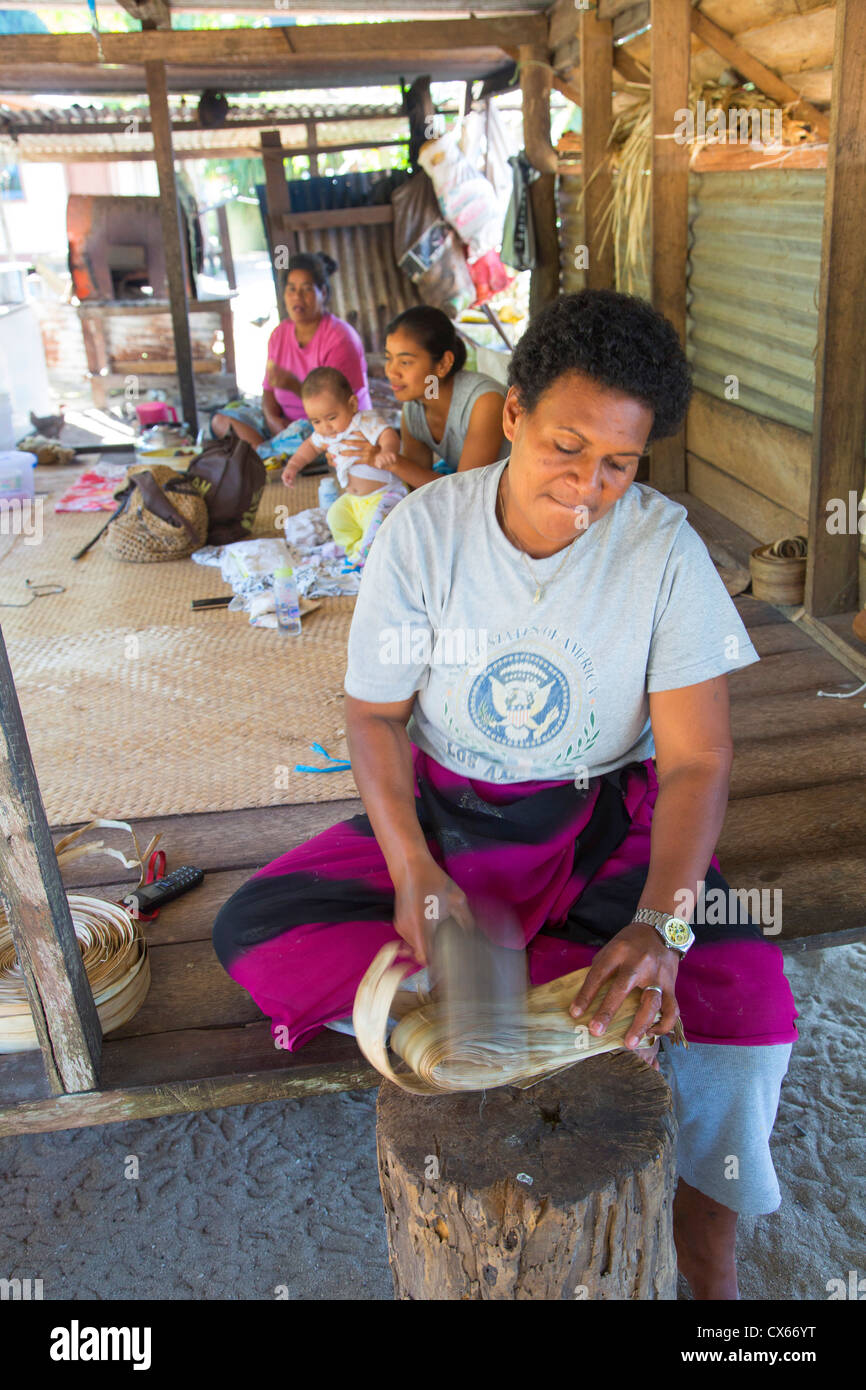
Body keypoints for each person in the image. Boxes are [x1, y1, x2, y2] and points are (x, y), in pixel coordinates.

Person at [212, 289, 798, 1300]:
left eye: (618, 463)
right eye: (565, 446)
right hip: (452, 819)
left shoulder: (662, 552)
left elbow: (696, 763)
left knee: (745, 1003)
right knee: (257, 928)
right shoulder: (423, 535)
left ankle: (708, 1254)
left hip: (604, 826)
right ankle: (558, 1013)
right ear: (513, 411)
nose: (586, 485)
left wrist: (660, 920)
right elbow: (374, 719)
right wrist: (412, 869)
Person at [210, 252, 371, 451]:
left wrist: (295, 386)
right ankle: (270, 453)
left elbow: (335, 408)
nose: (297, 297)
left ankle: (269, 454)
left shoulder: (340, 338)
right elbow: (268, 390)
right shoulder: (279, 334)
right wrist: (272, 419)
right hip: (286, 424)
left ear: (323, 293)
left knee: (312, 438)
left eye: (306, 289)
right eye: (291, 289)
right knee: (221, 420)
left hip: (329, 426)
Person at [336, 305, 507, 489]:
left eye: (405, 362)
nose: (391, 371)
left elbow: (466, 492)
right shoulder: (414, 409)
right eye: (389, 358)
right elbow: (417, 486)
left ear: (443, 363)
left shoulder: (485, 402)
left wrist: (395, 463)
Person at [281, 366, 406, 563]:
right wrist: (293, 466)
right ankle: (352, 550)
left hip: (384, 495)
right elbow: (310, 448)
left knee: (377, 528)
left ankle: (368, 559)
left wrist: (387, 451)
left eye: (332, 417)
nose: (325, 427)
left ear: (352, 404)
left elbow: (387, 433)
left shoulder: (363, 422)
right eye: (316, 421)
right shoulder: (325, 434)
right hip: (353, 499)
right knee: (336, 516)